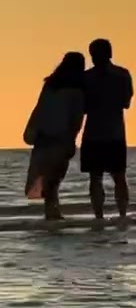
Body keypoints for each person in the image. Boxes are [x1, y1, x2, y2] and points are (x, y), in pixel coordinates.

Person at [23, 53, 86, 220]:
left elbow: (39, 108)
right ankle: (53, 213)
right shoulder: (77, 90)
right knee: (54, 178)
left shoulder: (50, 85)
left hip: (43, 137)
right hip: (61, 138)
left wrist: (31, 128)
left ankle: (51, 213)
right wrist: (72, 139)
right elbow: (76, 118)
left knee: (45, 178)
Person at [81, 38, 134, 220]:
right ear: (110, 53)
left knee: (95, 178)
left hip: (93, 133)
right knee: (119, 177)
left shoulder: (86, 78)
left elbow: (83, 107)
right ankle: (122, 214)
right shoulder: (122, 75)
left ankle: (99, 216)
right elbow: (126, 102)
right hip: (115, 132)